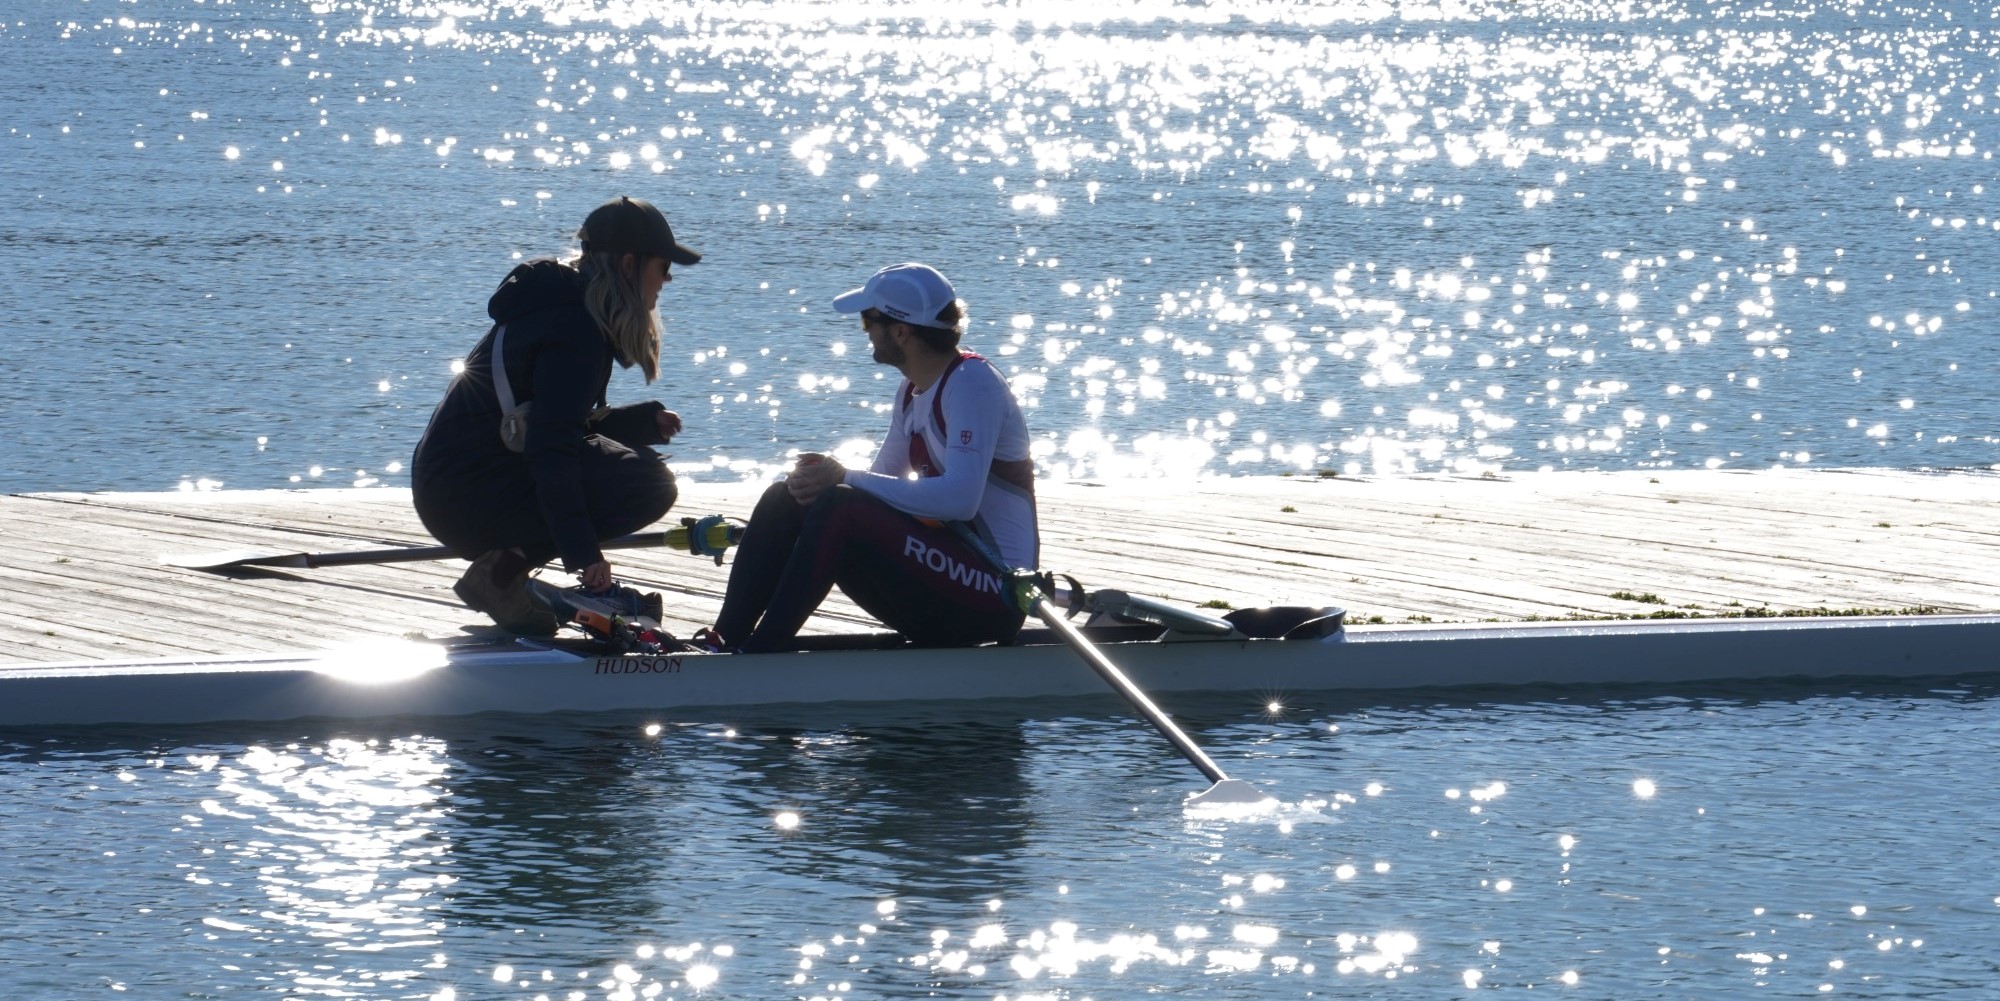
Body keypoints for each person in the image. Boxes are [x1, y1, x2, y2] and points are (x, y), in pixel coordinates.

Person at [705, 263, 1038, 653]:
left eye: (867, 322)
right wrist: (819, 482)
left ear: (901, 330)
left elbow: (959, 501)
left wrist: (843, 477)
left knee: (840, 504)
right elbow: (878, 489)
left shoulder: (972, 384)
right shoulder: (911, 391)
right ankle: (724, 642)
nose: (865, 333)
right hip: (946, 576)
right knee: (789, 497)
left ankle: (762, 652)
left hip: (995, 591)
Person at [411, 196, 698, 634]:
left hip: (451, 485)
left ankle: (507, 572)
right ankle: (500, 576)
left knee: (624, 467)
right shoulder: (576, 329)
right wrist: (585, 555)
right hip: (465, 496)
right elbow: (550, 449)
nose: (667, 279)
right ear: (627, 265)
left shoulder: (560, 306)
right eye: (661, 266)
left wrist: (639, 424)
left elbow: (549, 421)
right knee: (648, 483)